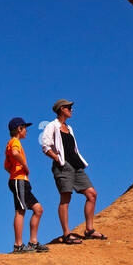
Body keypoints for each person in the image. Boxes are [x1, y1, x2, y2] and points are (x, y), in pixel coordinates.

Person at [40, 99, 107, 243]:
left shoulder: (69, 128)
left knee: (92, 194)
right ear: (61, 109)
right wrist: (57, 159)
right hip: (63, 166)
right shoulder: (52, 126)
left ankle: (89, 230)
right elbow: (45, 146)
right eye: (69, 108)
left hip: (76, 166)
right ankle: (66, 234)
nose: (71, 110)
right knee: (65, 198)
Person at [5, 118, 49, 254]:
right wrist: (24, 165)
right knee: (21, 210)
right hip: (19, 180)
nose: (26, 131)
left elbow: (6, 166)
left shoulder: (11, 143)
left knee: (38, 209)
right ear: (19, 129)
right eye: (25, 128)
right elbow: (15, 154)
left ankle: (32, 243)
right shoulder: (15, 142)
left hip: (21, 180)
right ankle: (18, 245)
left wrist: (16, 171)